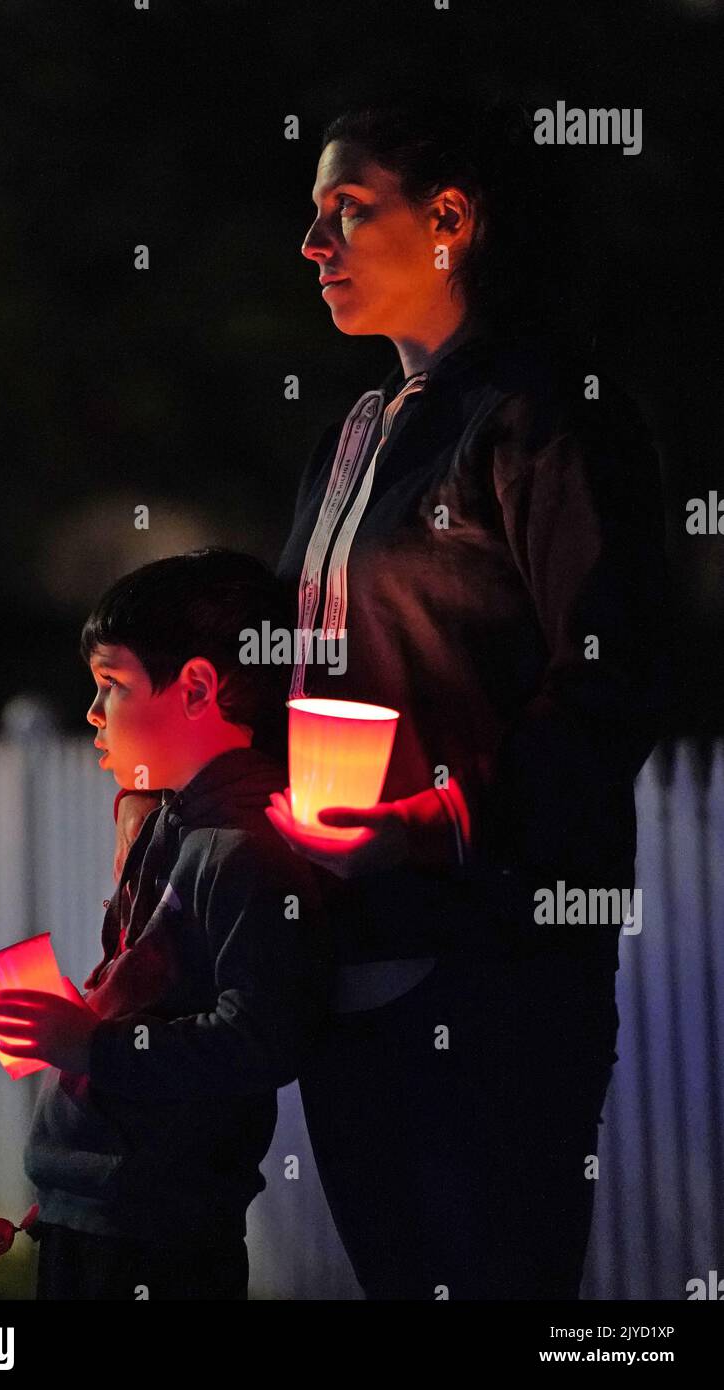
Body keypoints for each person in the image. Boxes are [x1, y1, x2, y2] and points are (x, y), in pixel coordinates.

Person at [113, 95, 673, 1300]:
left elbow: (616, 676)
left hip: (493, 972)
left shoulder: (545, 417)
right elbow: (295, 666)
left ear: (450, 221)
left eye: (348, 213)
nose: (312, 246)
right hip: (341, 967)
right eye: (313, 219)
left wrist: (440, 823)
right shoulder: (352, 438)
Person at [0, 549, 330, 1300]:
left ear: (197, 687)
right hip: (98, 1211)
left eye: (112, 686)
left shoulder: (243, 852)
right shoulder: (171, 823)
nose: (92, 714)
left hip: (156, 1236)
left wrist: (91, 1044)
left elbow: (259, 1038)